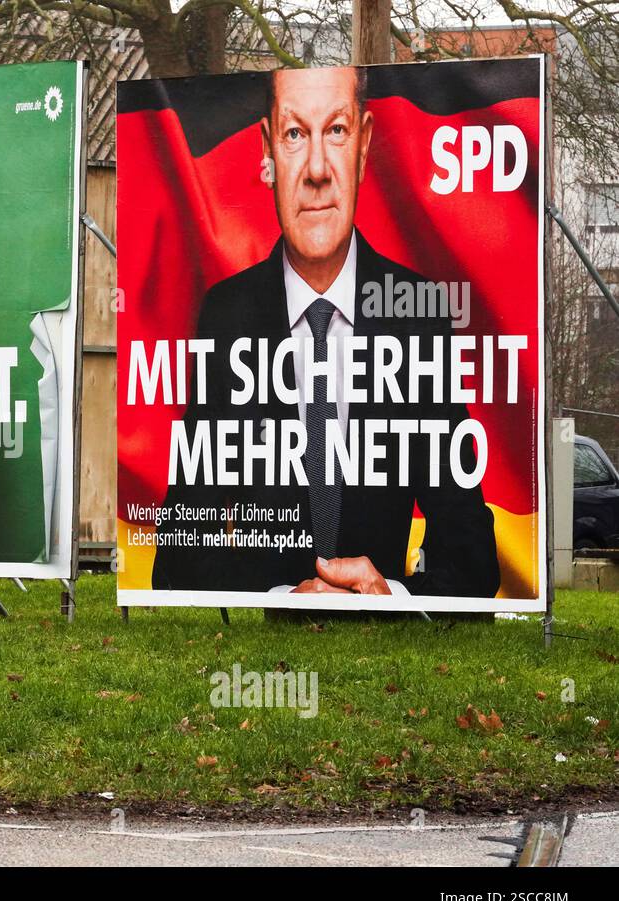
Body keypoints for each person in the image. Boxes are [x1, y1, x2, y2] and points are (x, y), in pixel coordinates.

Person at [152, 66, 500, 598]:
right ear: (268, 150)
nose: (316, 168)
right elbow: (178, 557)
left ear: (363, 145)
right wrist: (280, 595)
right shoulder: (226, 317)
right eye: (294, 134)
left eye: (335, 131)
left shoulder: (418, 317)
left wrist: (390, 597)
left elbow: (473, 561)